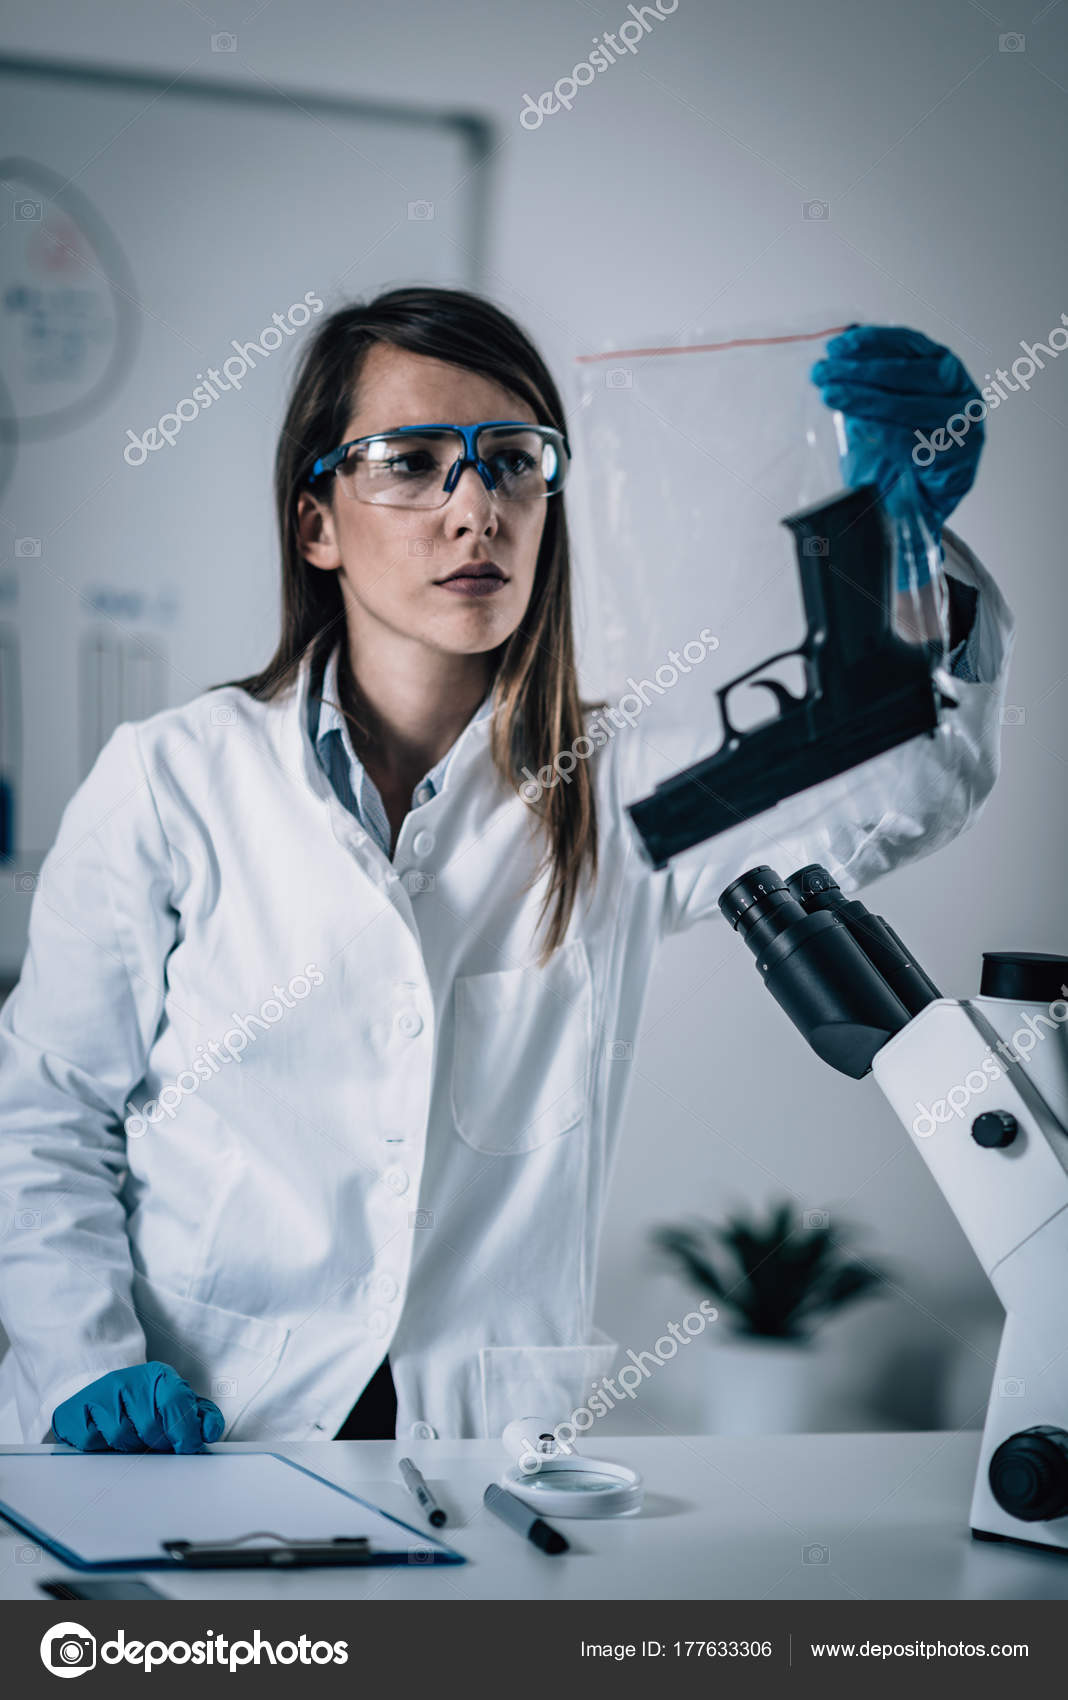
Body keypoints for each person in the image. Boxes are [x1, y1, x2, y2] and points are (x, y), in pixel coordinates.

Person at [0, 290, 1014, 1450]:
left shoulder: (616, 783)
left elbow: (902, 795)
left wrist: (916, 547)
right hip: (178, 1421)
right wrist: (87, 1357)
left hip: (474, 1447)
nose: (475, 504)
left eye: (514, 462)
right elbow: (44, 1111)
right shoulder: (171, 780)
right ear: (316, 523)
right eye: (412, 461)